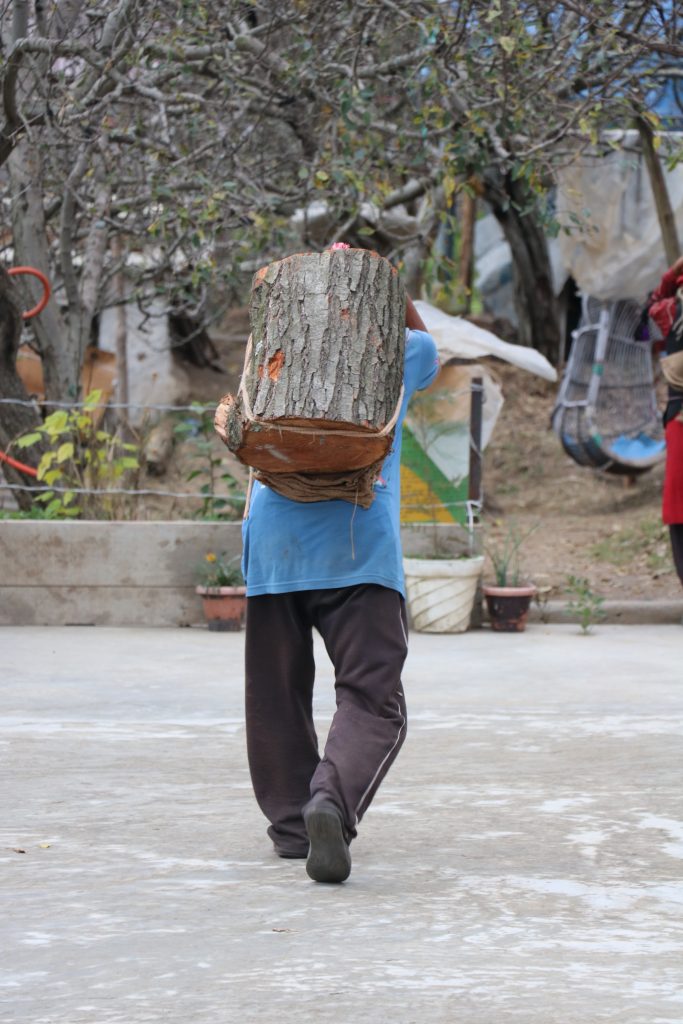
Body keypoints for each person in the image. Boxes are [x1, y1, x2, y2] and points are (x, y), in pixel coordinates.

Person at [241, 272, 439, 884]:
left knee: (275, 692)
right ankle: (331, 798)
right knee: (374, 698)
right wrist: (392, 282)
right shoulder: (396, 354)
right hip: (358, 546)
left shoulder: (272, 353)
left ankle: (294, 830)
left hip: (273, 543)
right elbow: (427, 344)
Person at [647, 256, 683, 589]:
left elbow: (656, 302)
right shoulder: (673, 311)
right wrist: (672, 274)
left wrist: (672, 274)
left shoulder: (672, 309)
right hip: (679, 418)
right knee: (678, 504)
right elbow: (654, 304)